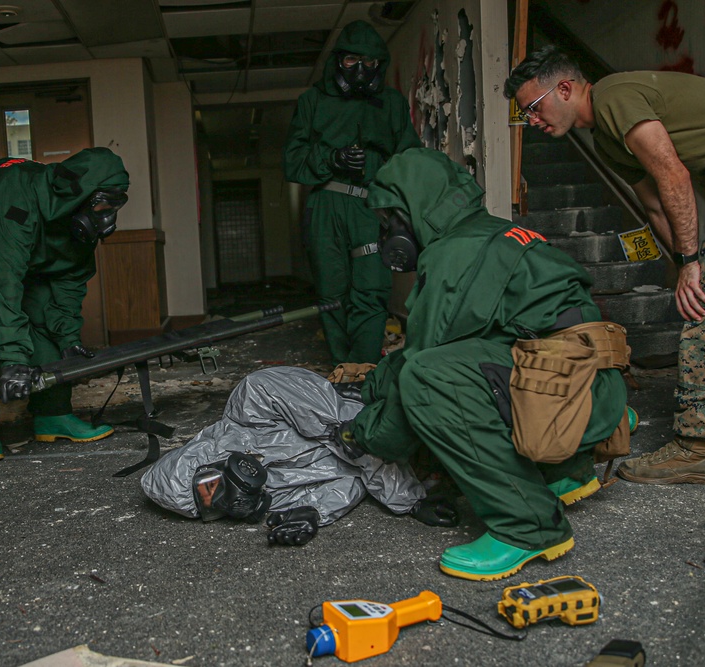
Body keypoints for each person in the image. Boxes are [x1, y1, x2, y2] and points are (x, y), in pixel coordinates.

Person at [504, 46, 705, 485]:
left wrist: (692, 267)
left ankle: (697, 448)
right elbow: (655, 205)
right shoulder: (606, 140)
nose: (532, 120)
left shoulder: (613, 97)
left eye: (534, 107)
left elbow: (674, 176)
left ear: (565, 89)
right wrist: (686, 262)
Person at [334, 147, 633, 580]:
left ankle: (528, 527)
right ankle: (567, 473)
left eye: (387, 224)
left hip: (567, 400)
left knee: (427, 378)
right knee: (447, 361)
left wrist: (361, 434)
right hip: (590, 388)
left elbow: (419, 373)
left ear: (411, 212)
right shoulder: (491, 233)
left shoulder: (454, 257)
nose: (387, 238)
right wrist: (376, 380)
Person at [0, 148, 130, 463]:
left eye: (115, 206)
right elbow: (1, 284)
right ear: (77, 194)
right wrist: (13, 361)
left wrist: (68, 338)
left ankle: (52, 415)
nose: (106, 218)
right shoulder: (15, 200)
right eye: (101, 205)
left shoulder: (69, 214)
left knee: (43, 316)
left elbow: (68, 283)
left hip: (28, 233)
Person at [139, 366, 457, 546]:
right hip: (415, 454)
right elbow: (351, 481)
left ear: (207, 458)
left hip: (395, 405)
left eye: (211, 488)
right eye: (212, 509)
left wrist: (409, 499)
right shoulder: (259, 497)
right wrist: (313, 511)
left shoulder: (255, 399)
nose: (227, 501)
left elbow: (352, 434)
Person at [283, 19, 422, 365]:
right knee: (332, 294)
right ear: (338, 61)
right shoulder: (313, 101)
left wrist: (405, 211)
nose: (359, 70)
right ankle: (342, 366)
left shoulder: (390, 104)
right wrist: (331, 159)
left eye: (369, 62)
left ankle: (363, 370)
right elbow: (292, 162)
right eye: (350, 61)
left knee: (372, 291)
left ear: (378, 65)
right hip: (327, 205)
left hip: (371, 206)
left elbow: (410, 158)